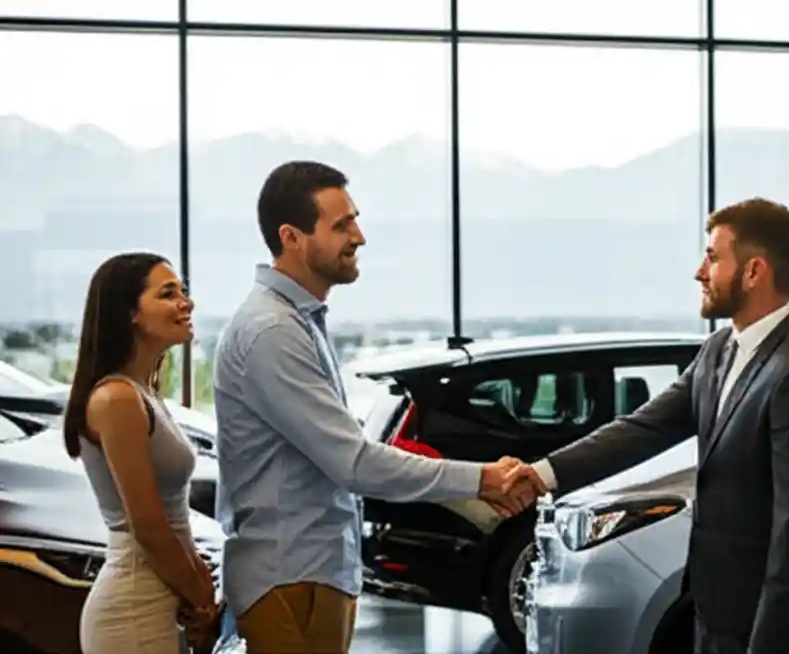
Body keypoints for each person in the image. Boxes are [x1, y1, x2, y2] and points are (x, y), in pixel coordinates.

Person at [212, 161, 538, 653]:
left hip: (307, 574)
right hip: (290, 577)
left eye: (355, 219)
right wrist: (483, 479)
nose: (359, 236)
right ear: (291, 237)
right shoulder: (273, 332)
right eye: (341, 224)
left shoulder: (293, 322)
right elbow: (354, 463)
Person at [510, 198, 789, 654]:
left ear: (754, 271)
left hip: (766, 628)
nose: (699, 271)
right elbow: (643, 428)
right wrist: (543, 473)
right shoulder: (718, 351)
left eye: (712, 256)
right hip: (712, 611)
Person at [65, 252, 221, 653]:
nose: (186, 302)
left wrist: (197, 585)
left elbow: (172, 517)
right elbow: (148, 526)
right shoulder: (116, 398)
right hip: (134, 606)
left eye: (183, 291)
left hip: (163, 598)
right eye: (168, 294)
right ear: (130, 313)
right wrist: (200, 597)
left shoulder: (144, 393)